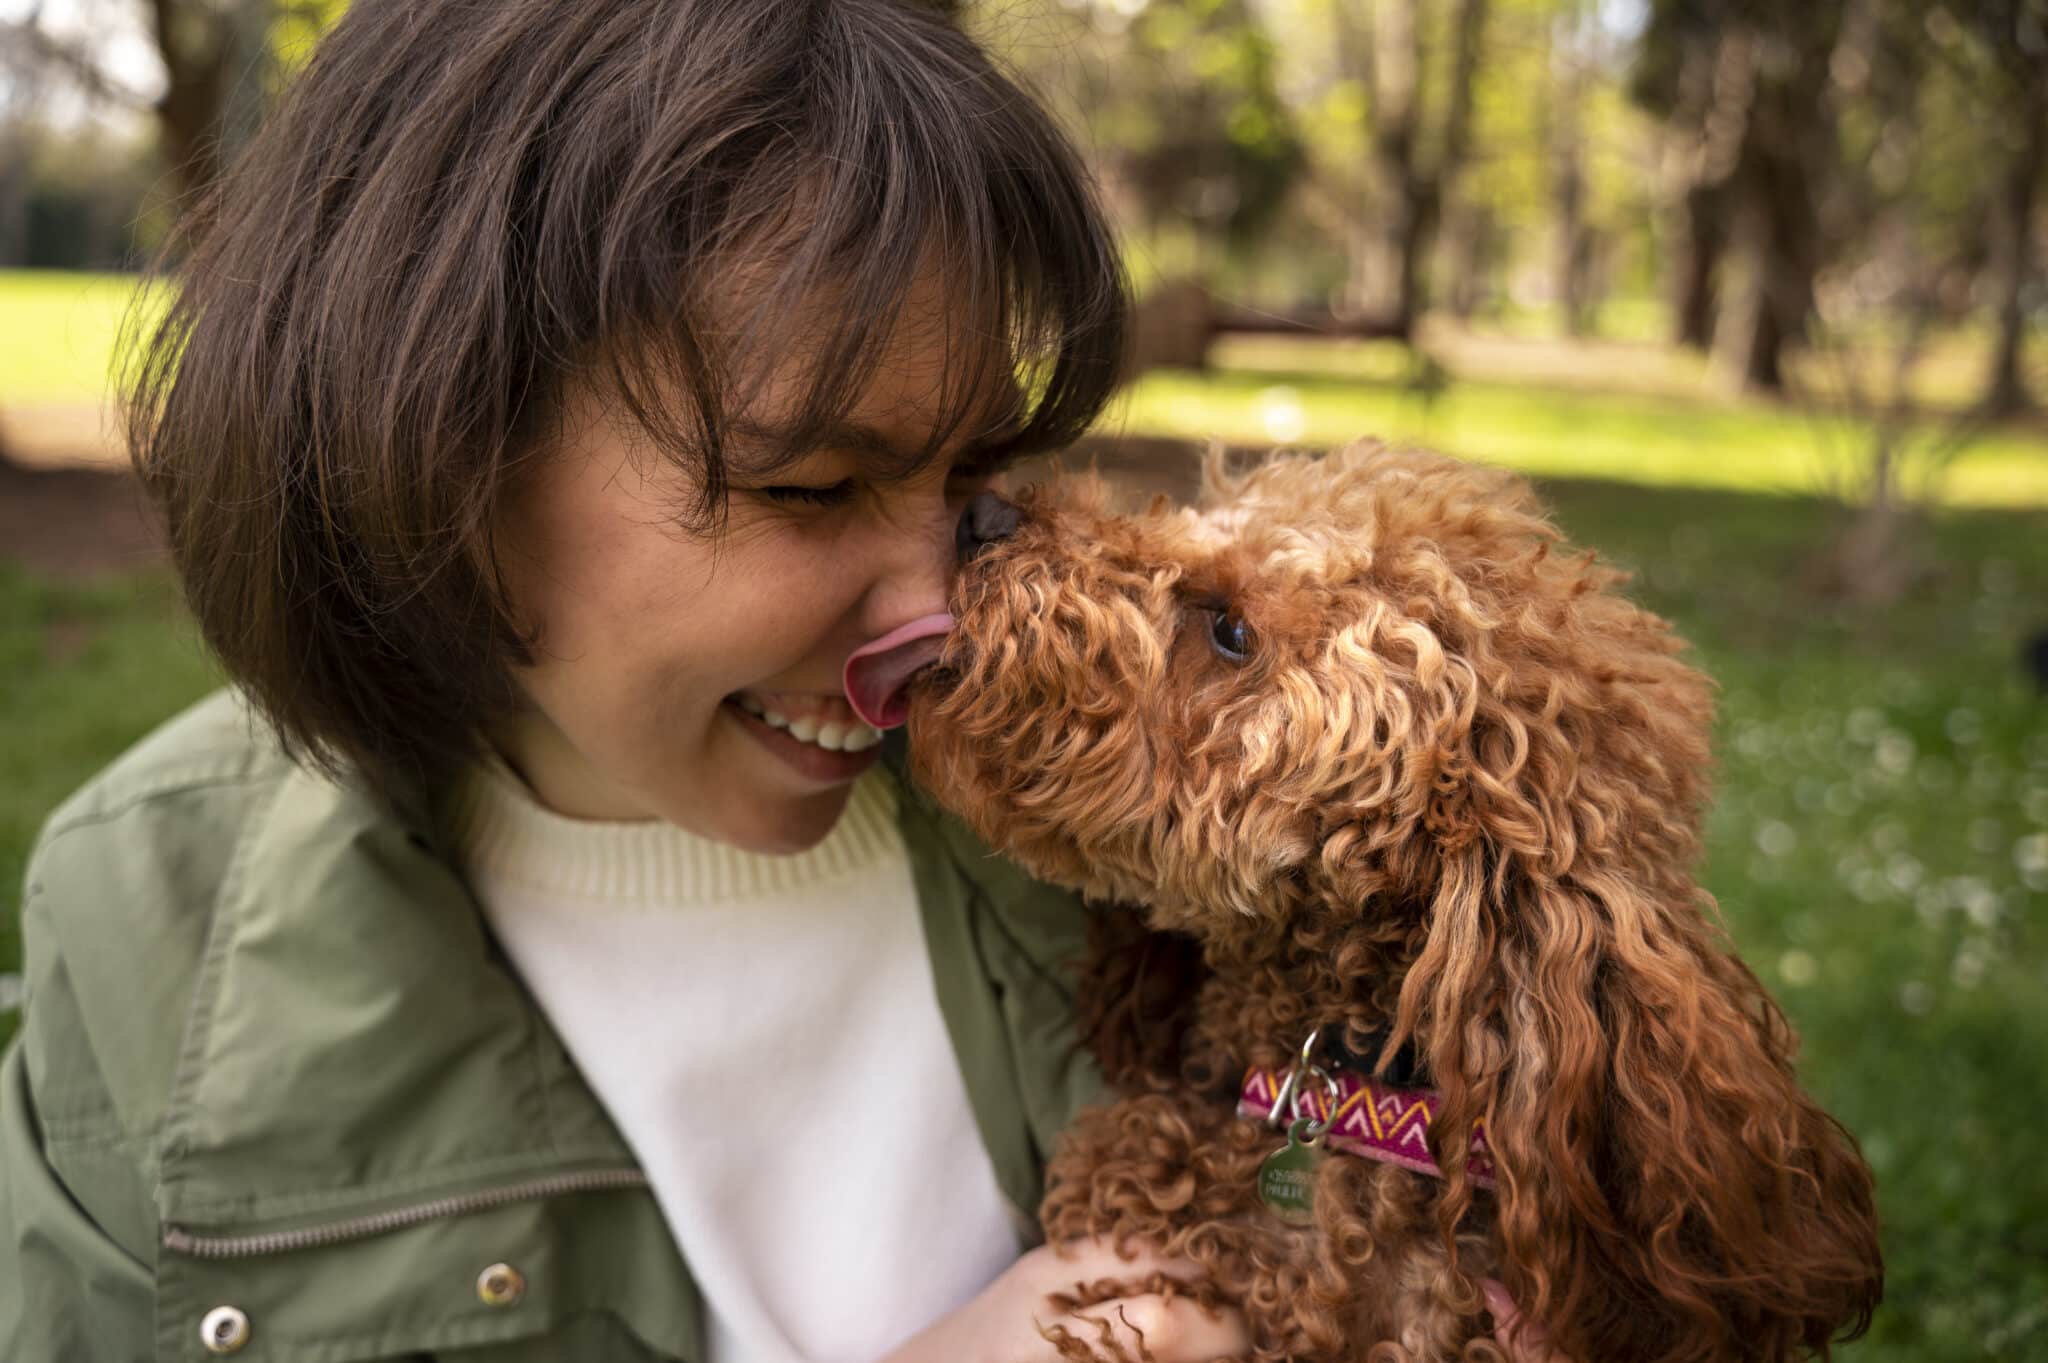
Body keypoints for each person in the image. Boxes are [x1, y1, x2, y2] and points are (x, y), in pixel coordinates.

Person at [0, 2, 1557, 1359]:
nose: (941, 614)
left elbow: (1439, 1166)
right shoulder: (148, 925)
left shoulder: (1160, 848)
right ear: (440, 448)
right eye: (811, 489)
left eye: (975, 480)